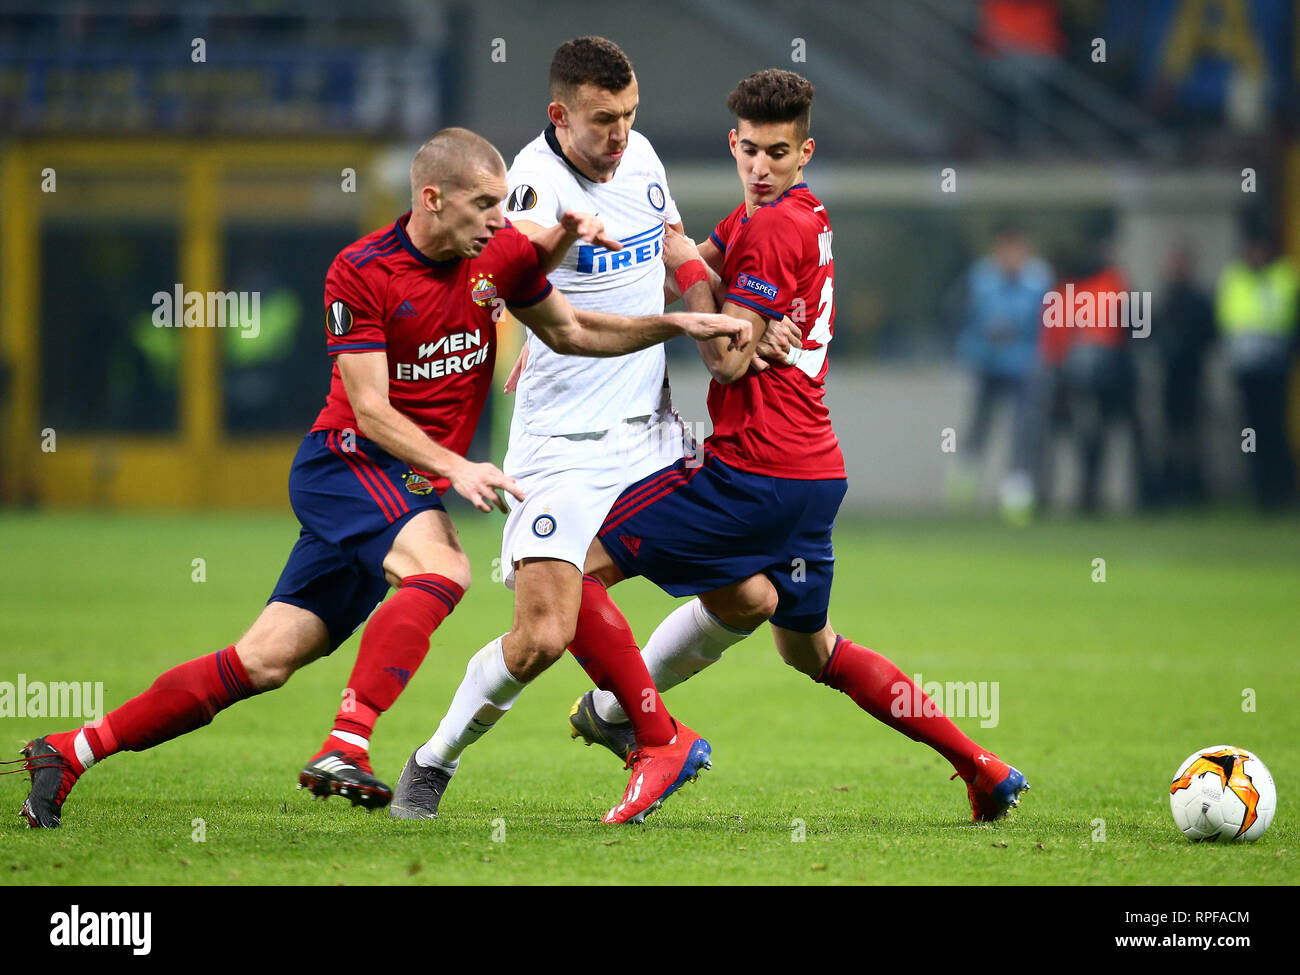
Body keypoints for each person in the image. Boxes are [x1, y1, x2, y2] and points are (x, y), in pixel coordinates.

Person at [10, 126, 748, 828]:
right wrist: (458, 465)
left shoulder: (501, 258)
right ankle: (349, 739)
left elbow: (576, 330)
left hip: (403, 490)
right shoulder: (362, 269)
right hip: (348, 464)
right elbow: (368, 407)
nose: (501, 217)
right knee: (445, 567)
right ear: (432, 198)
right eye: (485, 203)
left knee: (262, 660)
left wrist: (674, 324)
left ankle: (72, 750)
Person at [567, 69, 1029, 824]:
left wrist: (697, 279)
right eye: (749, 150)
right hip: (813, 474)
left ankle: (645, 728)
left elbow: (722, 354)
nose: (760, 167)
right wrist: (678, 270)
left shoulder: (775, 225)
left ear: (804, 150)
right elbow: (696, 281)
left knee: (575, 566)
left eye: (778, 153)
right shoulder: (789, 216)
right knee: (810, 651)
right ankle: (980, 764)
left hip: (756, 469)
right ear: (733, 143)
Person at [392, 37, 786, 826]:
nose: (619, 134)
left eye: (629, 115)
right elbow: (562, 322)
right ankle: (433, 762)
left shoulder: (641, 158)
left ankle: (617, 710)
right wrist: (668, 323)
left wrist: (715, 315)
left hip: (649, 438)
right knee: (542, 633)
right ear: (558, 115)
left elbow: (672, 244)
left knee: (749, 598)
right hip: (561, 450)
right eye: (603, 120)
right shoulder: (530, 192)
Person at [949, 220, 1053, 520]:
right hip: (988, 364)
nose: (1011, 256)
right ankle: (963, 489)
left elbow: (1046, 327)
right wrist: (977, 343)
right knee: (979, 427)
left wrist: (1041, 360)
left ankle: (1016, 497)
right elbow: (962, 318)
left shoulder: (1039, 281)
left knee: (1022, 432)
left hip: (1023, 369)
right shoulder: (980, 279)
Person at [1215, 218, 1298, 509]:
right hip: (1247, 370)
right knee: (1253, 431)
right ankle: (1263, 492)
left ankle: (1282, 490)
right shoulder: (1235, 278)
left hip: (1275, 368)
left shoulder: (1284, 277)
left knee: (1274, 429)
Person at [1153, 245, 1215, 505]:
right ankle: (1172, 488)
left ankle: (1192, 489)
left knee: (1191, 436)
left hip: (1191, 376)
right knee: (1171, 436)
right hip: (1169, 378)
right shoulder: (1163, 300)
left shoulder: (1198, 300)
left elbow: (1208, 335)